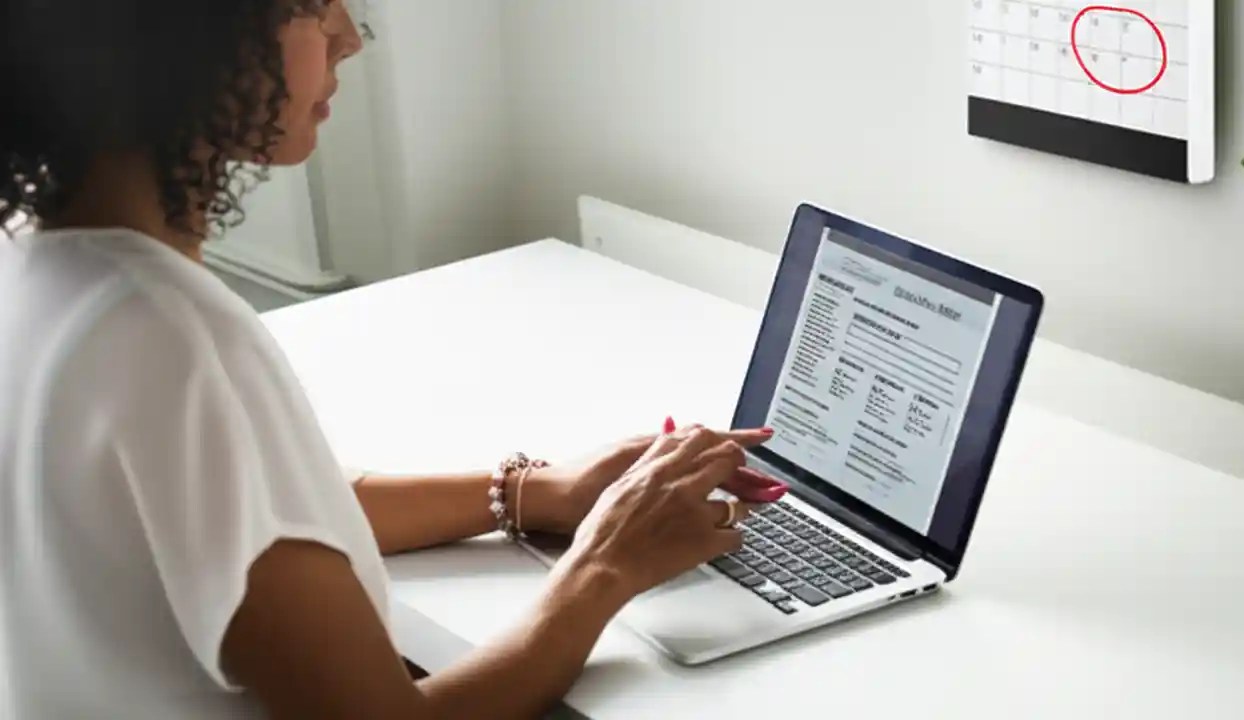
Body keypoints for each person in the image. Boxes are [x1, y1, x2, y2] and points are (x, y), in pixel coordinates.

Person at [0, 1, 792, 718]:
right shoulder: (175, 340)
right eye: (312, 7)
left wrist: (530, 493)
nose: (349, 35)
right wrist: (604, 570)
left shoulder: (41, 266)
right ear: (189, 37)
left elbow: (260, 517)